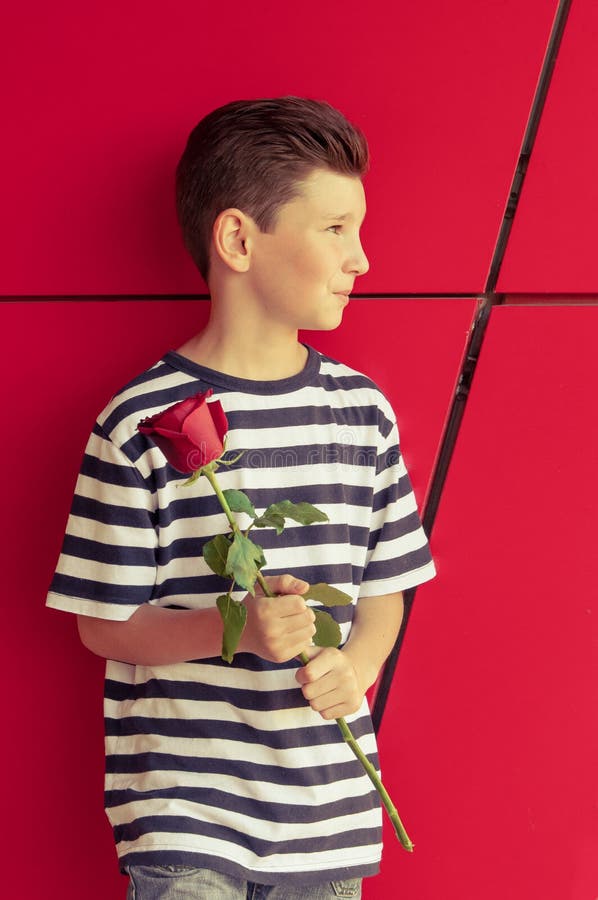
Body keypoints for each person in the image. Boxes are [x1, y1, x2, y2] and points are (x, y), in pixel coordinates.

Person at [47, 97, 436, 900]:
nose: (360, 258)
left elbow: (388, 587)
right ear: (237, 240)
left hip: (324, 819)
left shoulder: (362, 413)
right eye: (335, 230)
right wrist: (234, 631)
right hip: (185, 813)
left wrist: (357, 667)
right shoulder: (139, 422)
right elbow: (101, 624)